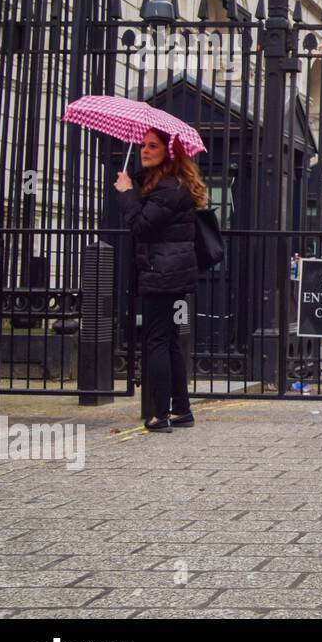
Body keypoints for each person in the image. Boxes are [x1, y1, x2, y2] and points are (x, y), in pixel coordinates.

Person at [114, 127, 206, 433]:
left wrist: (126, 193)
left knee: (156, 340)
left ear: (169, 151)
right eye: (143, 145)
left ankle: (160, 415)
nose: (144, 150)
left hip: (162, 272)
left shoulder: (169, 187)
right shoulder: (166, 184)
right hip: (169, 271)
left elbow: (142, 226)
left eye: (153, 145)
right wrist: (134, 187)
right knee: (168, 340)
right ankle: (181, 410)